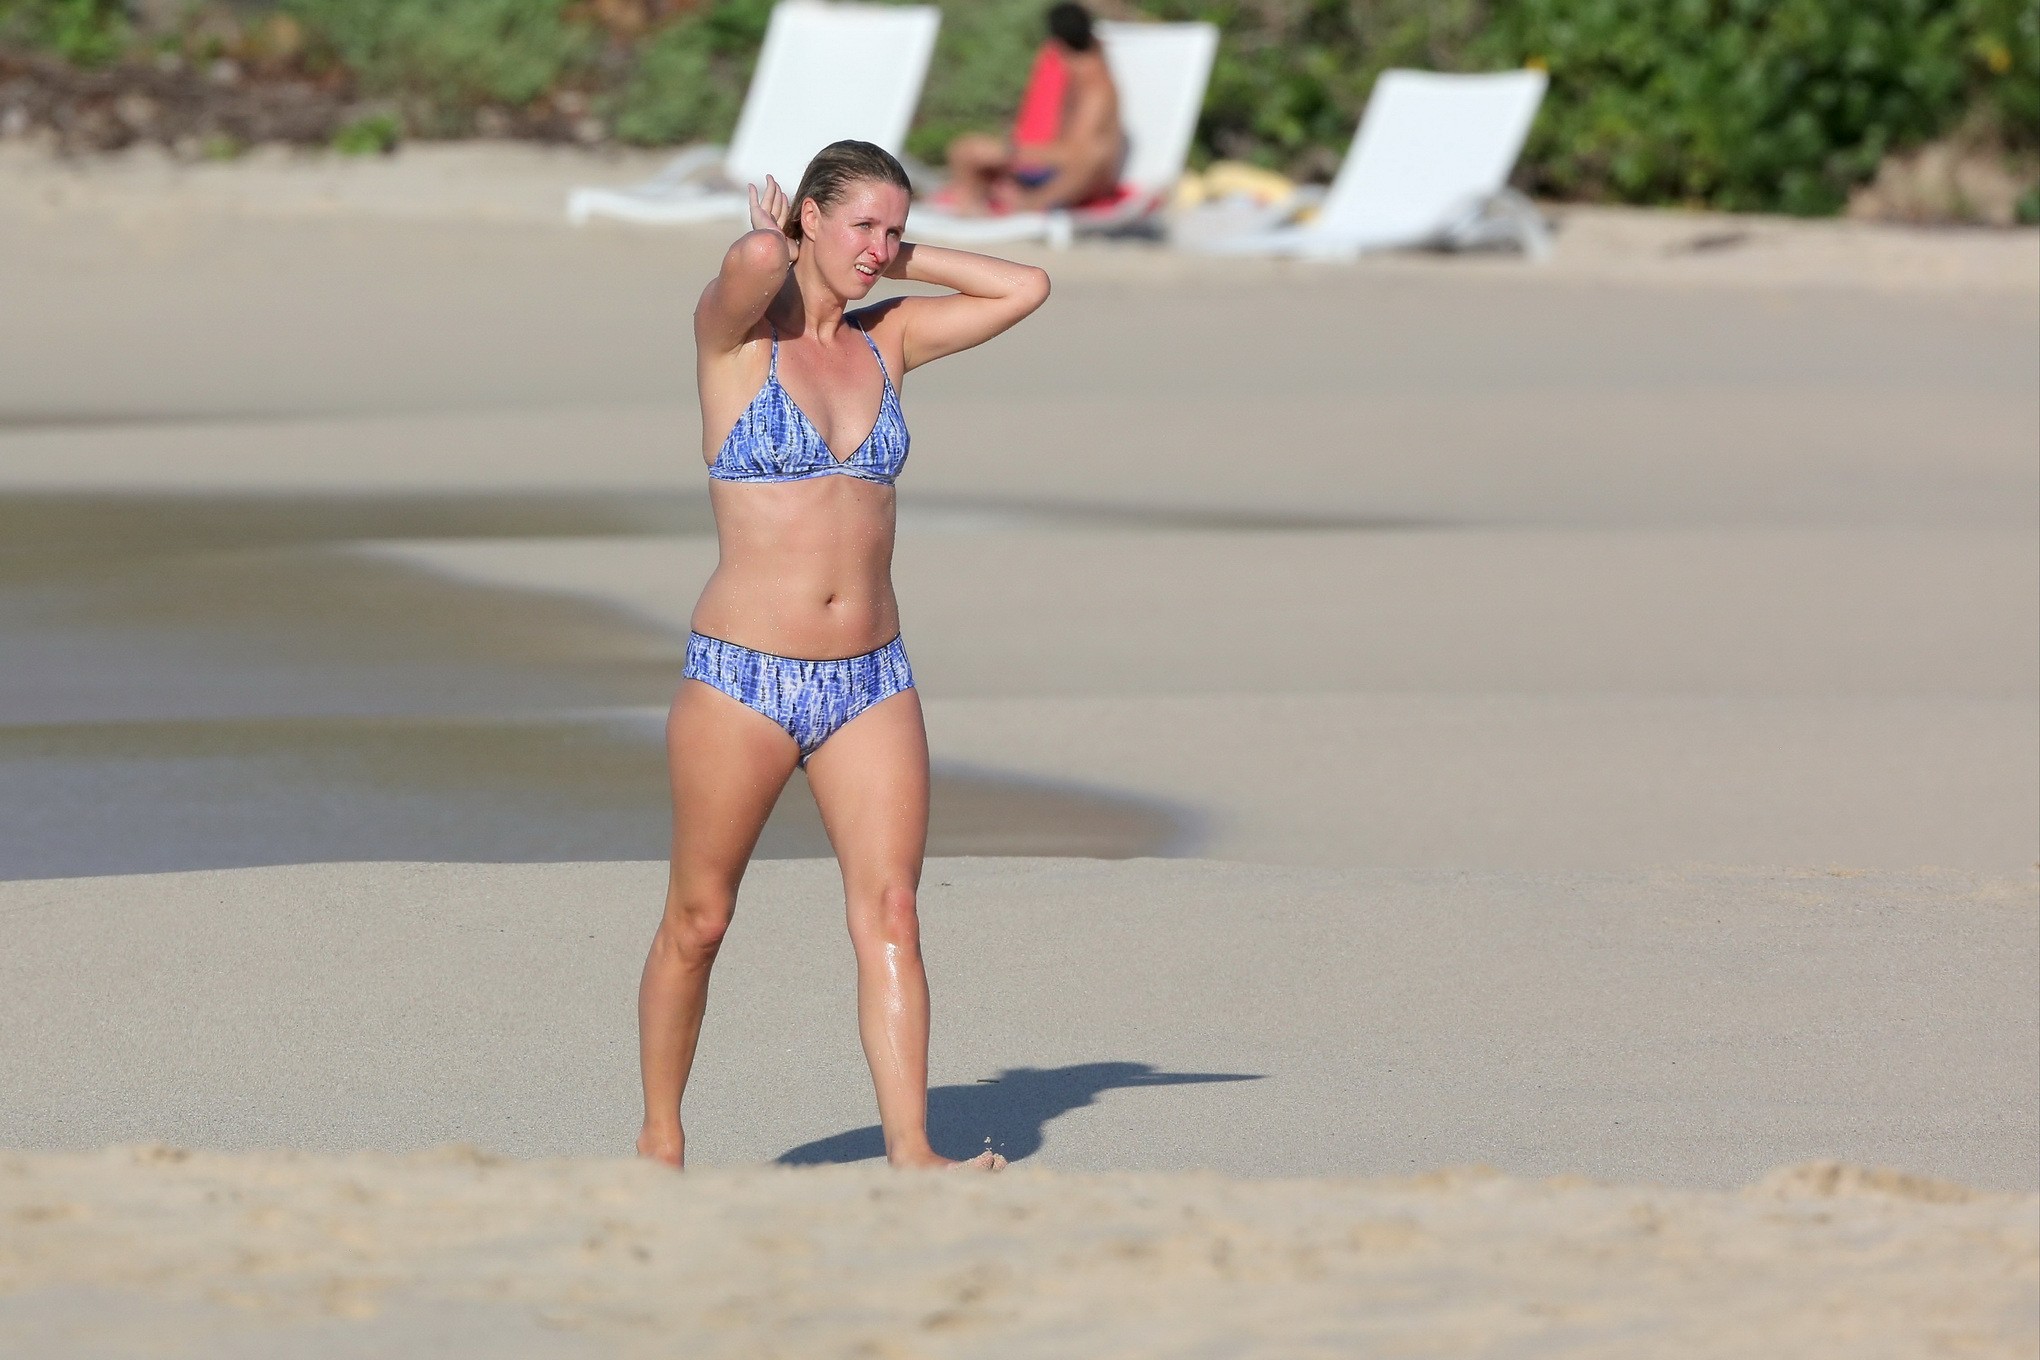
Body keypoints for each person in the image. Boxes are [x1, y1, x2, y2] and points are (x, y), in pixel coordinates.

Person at [636, 140, 1050, 1171]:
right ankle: (660, 1138)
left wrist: (897, 260)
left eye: (892, 226)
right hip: (743, 675)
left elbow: (1025, 285)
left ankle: (914, 1150)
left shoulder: (888, 342)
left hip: (871, 678)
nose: (880, 245)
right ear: (806, 219)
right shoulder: (736, 346)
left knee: (893, 908)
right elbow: (743, 271)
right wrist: (776, 244)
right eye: (860, 224)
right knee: (699, 917)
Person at [942, 2, 1125, 215]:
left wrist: (1013, 152)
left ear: (1058, 42)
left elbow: (1078, 155)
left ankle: (1025, 205)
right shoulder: (1068, 74)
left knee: (1093, 156)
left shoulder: (1097, 90)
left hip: (1077, 177)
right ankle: (973, 209)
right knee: (965, 149)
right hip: (1047, 167)